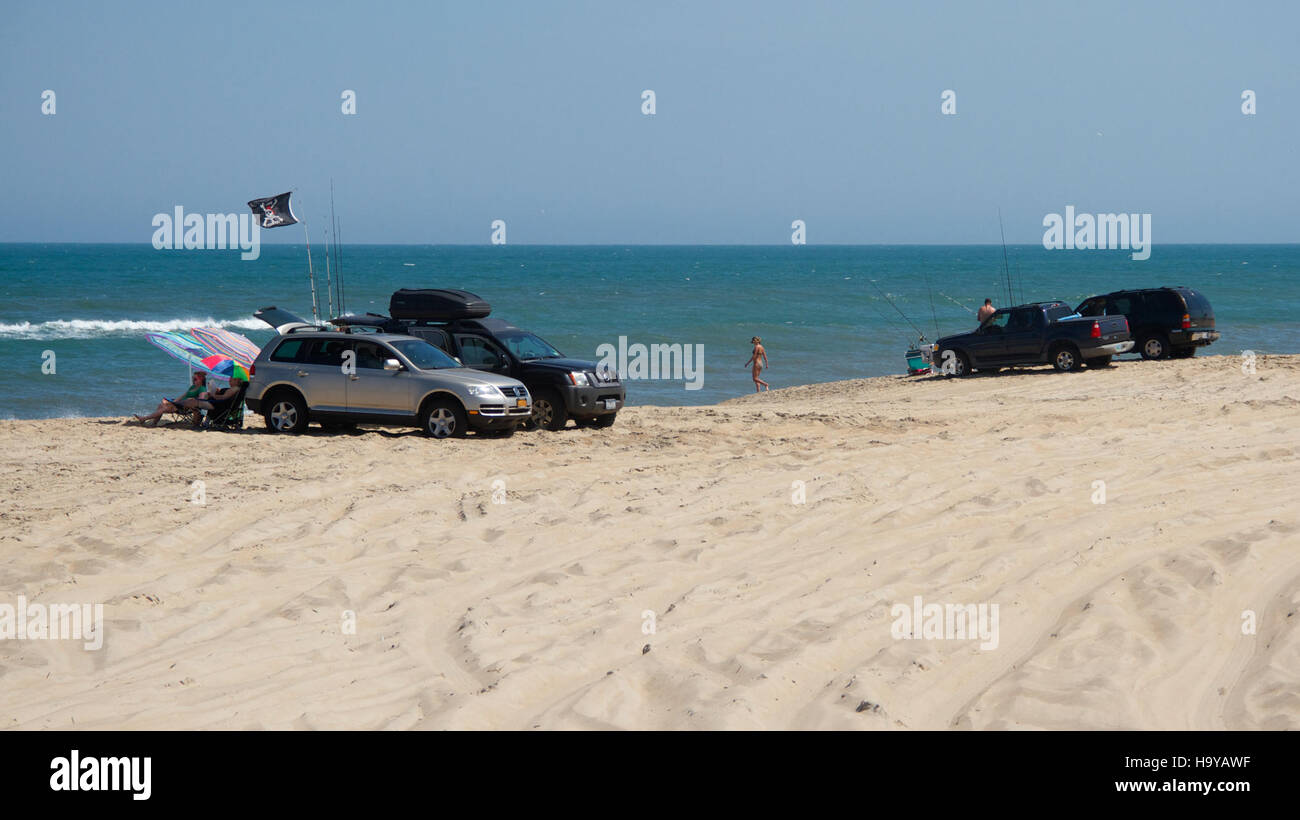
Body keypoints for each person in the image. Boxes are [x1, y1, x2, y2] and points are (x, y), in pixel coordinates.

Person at [133, 371, 207, 426]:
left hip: (186, 407)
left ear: (201, 380)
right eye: (193, 379)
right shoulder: (193, 387)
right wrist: (173, 402)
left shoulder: (202, 389)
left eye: (195, 379)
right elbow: (183, 395)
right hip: (179, 404)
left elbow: (201, 400)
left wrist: (192, 400)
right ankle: (153, 423)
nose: (193, 380)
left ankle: (144, 418)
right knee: (161, 405)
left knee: (164, 407)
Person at [178, 377, 246, 422]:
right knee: (192, 400)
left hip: (218, 406)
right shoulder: (234, 389)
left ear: (237, 381)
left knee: (191, 401)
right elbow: (225, 395)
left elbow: (223, 398)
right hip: (217, 404)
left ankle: (196, 414)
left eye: (231, 379)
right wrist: (217, 390)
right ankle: (197, 414)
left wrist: (213, 395)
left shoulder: (235, 388)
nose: (229, 381)